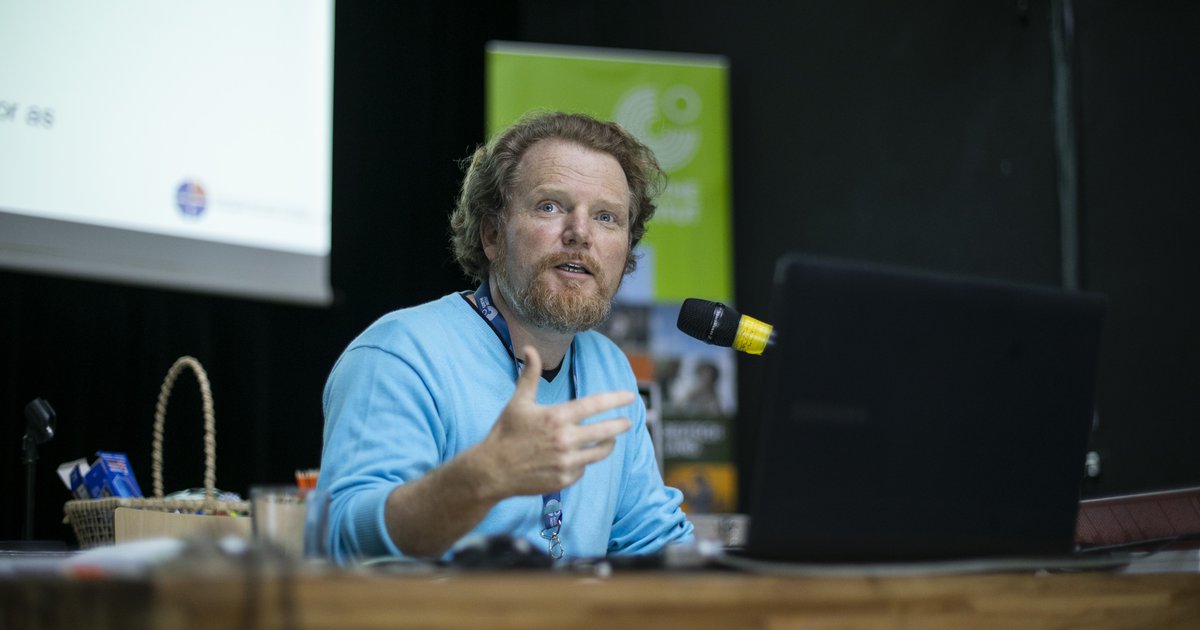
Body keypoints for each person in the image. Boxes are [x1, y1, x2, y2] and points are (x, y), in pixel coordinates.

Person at [318, 111, 695, 563]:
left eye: (606, 217)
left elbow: (653, 540)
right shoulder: (401, 354)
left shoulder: (609, 368)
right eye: (550, 206)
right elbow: (343, 542)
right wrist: (482, 477)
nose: (580, 233)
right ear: (493, 234)